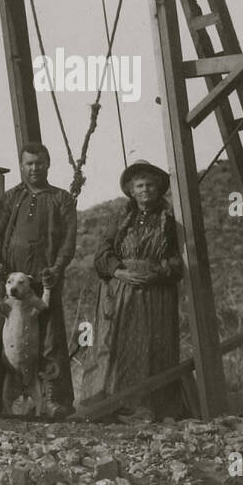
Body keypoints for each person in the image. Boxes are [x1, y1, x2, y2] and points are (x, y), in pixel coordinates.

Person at [0, 142, 76, 418]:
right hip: (10, 283)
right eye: (29, 163)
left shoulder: (62, 199)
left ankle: (51, 400)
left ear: (48, 164)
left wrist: (56, 270)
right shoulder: (10, 198)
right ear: (22, 166)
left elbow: (68, 242)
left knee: (49, 342)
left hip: (42, 284)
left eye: (39, 163)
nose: (34, 168)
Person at [91, 160, 183, 418]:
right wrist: (120, 272)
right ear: (132, 191)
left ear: (158, 189)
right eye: (140, 186)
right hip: (122, 293)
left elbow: (179, 260)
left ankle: (149, 407)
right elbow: (102, 255)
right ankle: (116, 406)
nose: (145, 190)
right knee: (120, 350)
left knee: (152, 349)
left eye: (150, 185)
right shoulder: (121, 219)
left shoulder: (169, 220)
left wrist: (156, 272)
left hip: (156, 295)